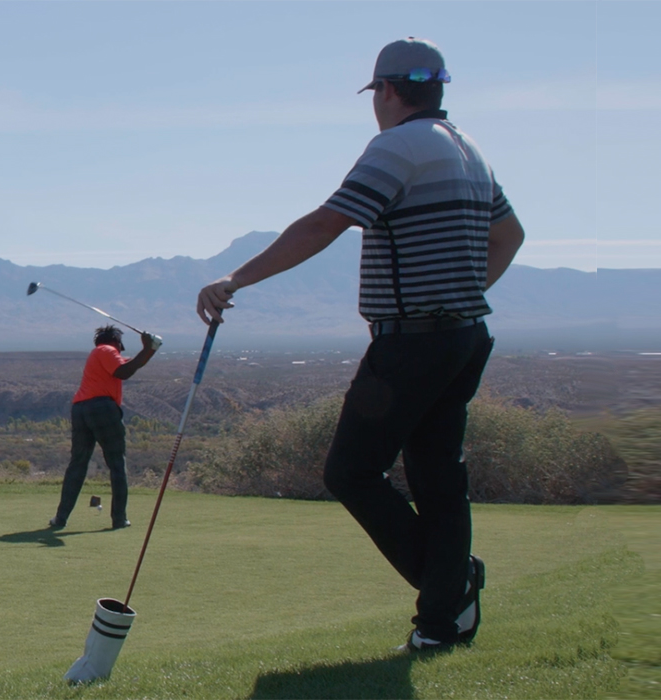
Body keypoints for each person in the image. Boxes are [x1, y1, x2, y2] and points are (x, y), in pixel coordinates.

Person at [194, 38, 526, 653]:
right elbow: (510, 234)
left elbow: (327, 223)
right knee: (438, 479)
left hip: (411, 344)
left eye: (377, 92)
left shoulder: (398, 145)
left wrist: (235, 278)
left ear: (388, 91)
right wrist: (460, 290)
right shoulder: (467, 148)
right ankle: (441, 623)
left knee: (350, 470)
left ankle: (449, 591)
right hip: (463, 336)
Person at [49, 324, 157, 531]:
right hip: (102, 408)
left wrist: (150, 350)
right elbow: (124, 372)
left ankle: (60, 518)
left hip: (81, 409)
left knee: (78, 463)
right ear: (116, 340)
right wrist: (147, 348)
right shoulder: (107, 350)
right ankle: (119, 518)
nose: (122, 349)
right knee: (116, 463)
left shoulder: (99, 354)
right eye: (121, 344)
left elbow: (132, 365)